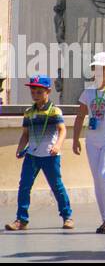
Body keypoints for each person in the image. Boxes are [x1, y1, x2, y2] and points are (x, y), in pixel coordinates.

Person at [5, 76, 73, 231]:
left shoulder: (54, 111)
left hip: (50, 156)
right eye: (33, 92)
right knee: (24, 186)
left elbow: (62, 130)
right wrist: (20, 147)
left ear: (48, 92)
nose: (35, 95)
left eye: (39, 92)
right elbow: (25, 134)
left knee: (57, 186)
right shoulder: (29, 112)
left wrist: (57, 145)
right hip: (32, 156)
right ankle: (21, 219)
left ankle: (67, 216)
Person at [73, 51, 105, 233]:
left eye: (101, 68)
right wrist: (76, 139)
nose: (97, 71)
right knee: (97, 179)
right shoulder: (88, 91)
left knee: (104, 175)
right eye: (94, 68)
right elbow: (80, 116)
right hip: (92, 140)